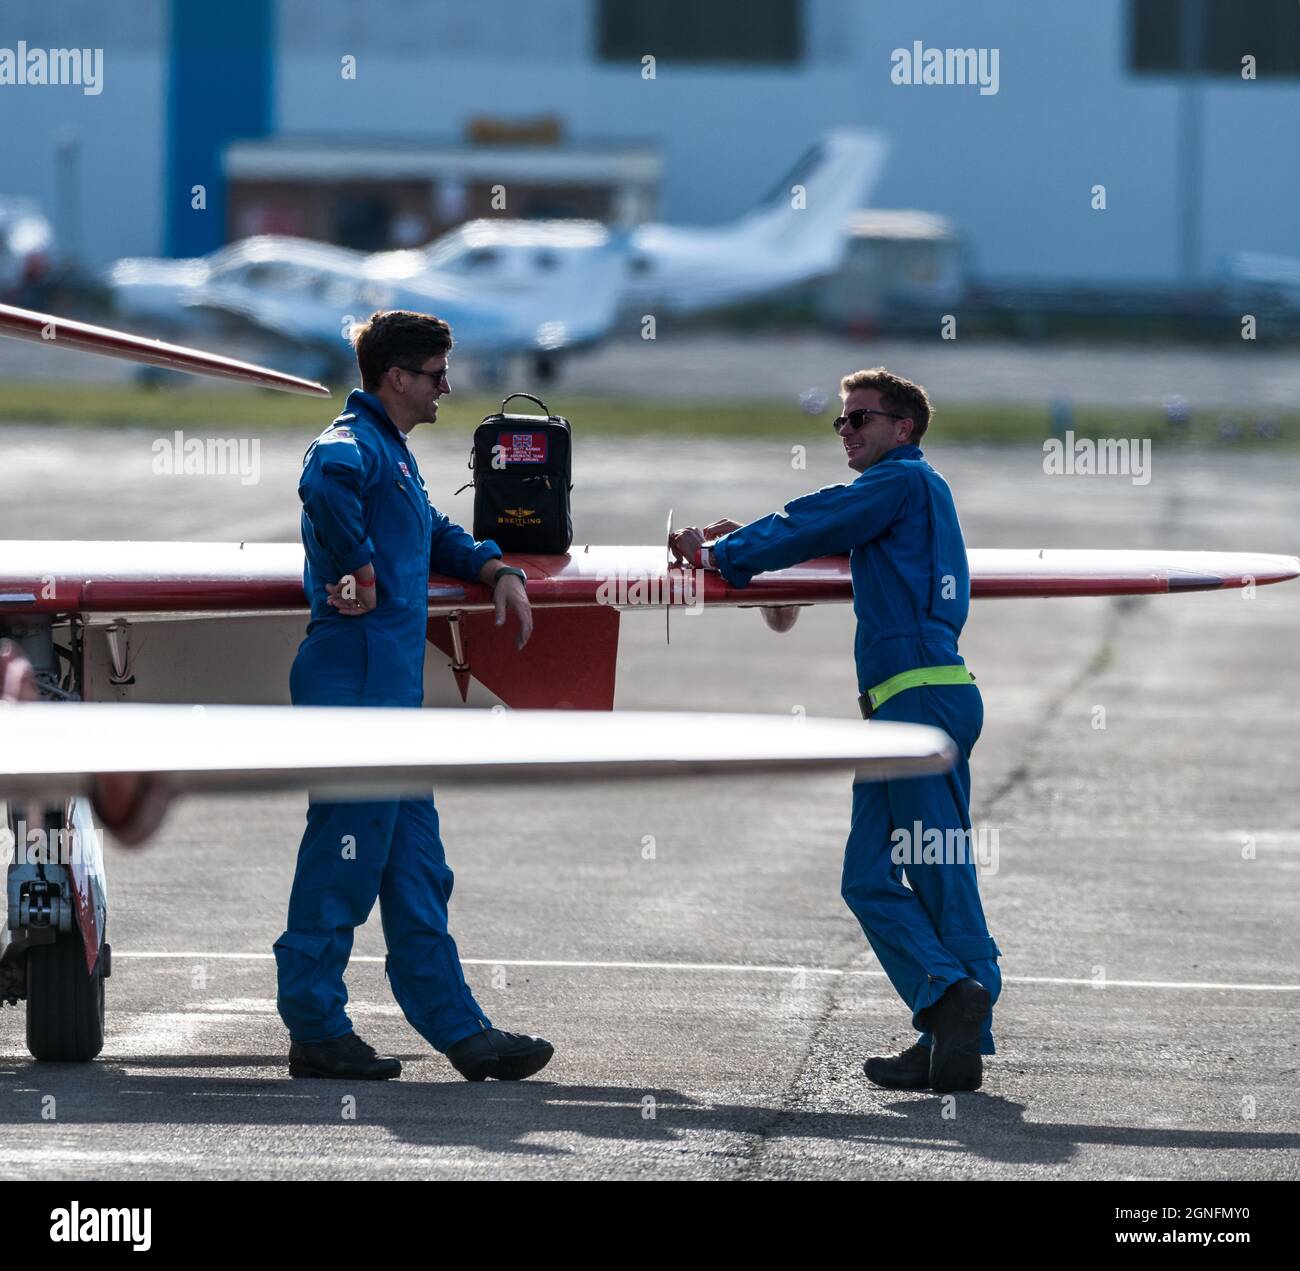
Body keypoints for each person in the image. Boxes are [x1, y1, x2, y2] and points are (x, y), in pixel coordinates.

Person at [671, 368, 1000, 1093]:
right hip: (917, 702)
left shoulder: (901, 482)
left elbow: (816, 521)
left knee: (931, 871)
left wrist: (721, 557)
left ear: (903, 427)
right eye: (841, 421)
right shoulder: (906, 495)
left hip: (915, 705)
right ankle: (951, 1030)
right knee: (875, 874)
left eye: (861, 419)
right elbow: (824, 521)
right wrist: (751, 536)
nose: (846, 431)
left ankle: (952, 999)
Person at [276, 309, 554, 1083]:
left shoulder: (389, 453)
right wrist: (357, 563)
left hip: (388, 688)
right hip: (354, 675)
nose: (446, 388)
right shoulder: (351, 443)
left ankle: (462, 1030)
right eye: (435, 375)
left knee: (415, 868)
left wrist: (492, 565)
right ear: (395, 377)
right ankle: (314, 1025)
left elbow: (428, 528)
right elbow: (321, 480)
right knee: (345, 855)